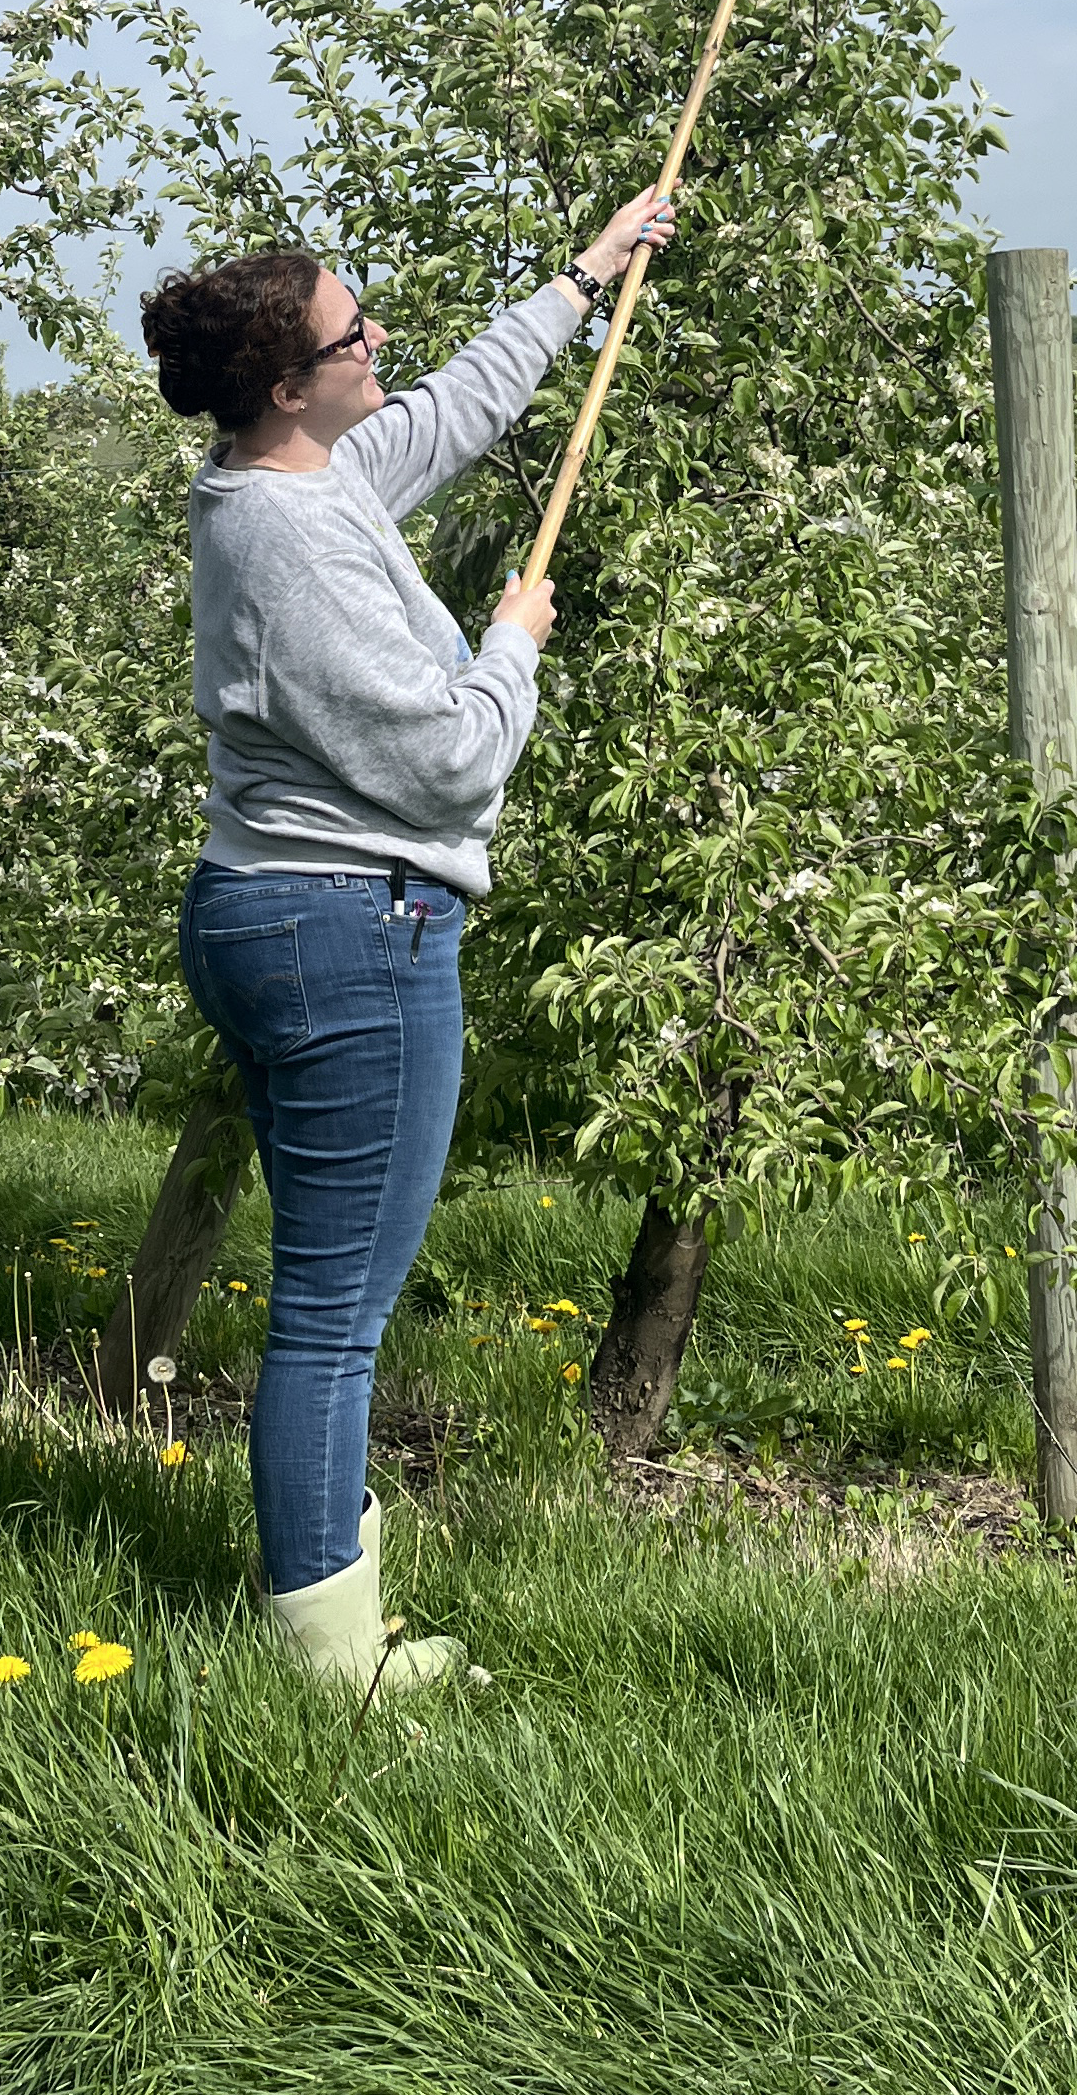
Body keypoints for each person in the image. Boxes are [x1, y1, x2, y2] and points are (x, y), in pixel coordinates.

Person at [137, 188, 676, 1692]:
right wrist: (514, 643)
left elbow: (443, 419)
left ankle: (329, 1614)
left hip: (294, 917)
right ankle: (326, 1660)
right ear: (288, 384)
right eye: (351, 330)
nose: (381, 340)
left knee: (330, 1301)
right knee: (333, 1317)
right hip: (345, 933)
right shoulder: (290, 545)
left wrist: (588, 274)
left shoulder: (300, 477)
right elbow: (446, 764)